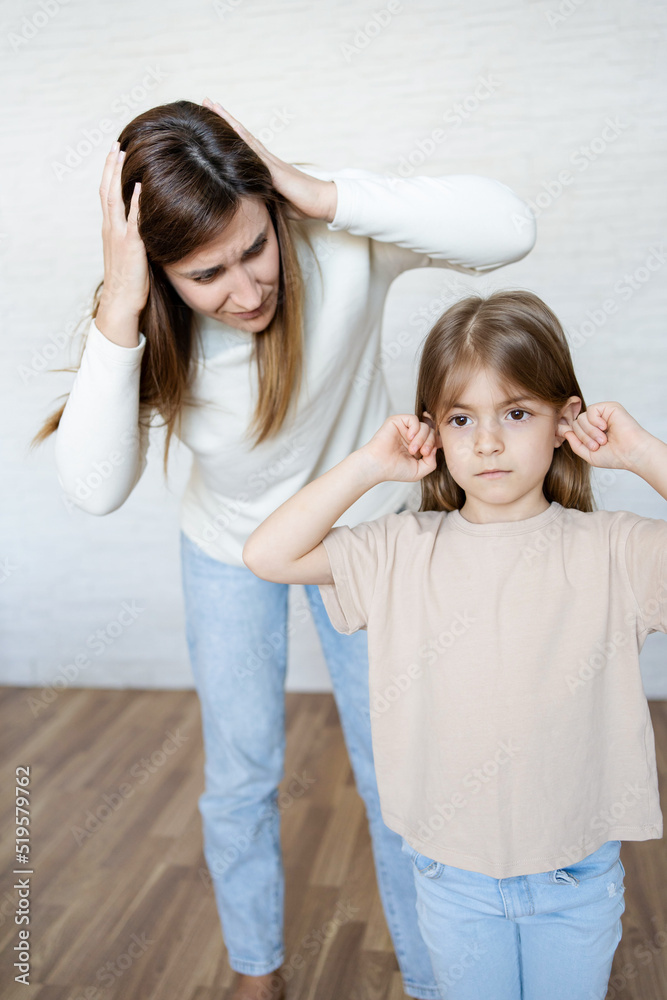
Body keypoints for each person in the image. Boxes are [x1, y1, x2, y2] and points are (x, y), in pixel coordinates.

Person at [32, 99, 537, 1000]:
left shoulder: (333, 246)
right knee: (241, 776)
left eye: (254, 249)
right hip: (228, 551)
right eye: (205, 273)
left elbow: (509, 229)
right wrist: (121, 298)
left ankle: (435, 984)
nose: (246, 291)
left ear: (272, 213)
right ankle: (255, 977)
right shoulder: (152, 319)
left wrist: (318, 193)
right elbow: (94, 488)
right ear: (160, 270)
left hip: (361, 543)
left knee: (400, 776)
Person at [242, 288, 667, 1000]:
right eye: (461, 418)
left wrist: (642, 451)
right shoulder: (400, 549)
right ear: (431, 431)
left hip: (575, 878)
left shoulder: (614, 550)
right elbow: (267, 555)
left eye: (517, 413)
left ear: (565, 421)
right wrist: (369, 465)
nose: (487, 442)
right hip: (453, 880)